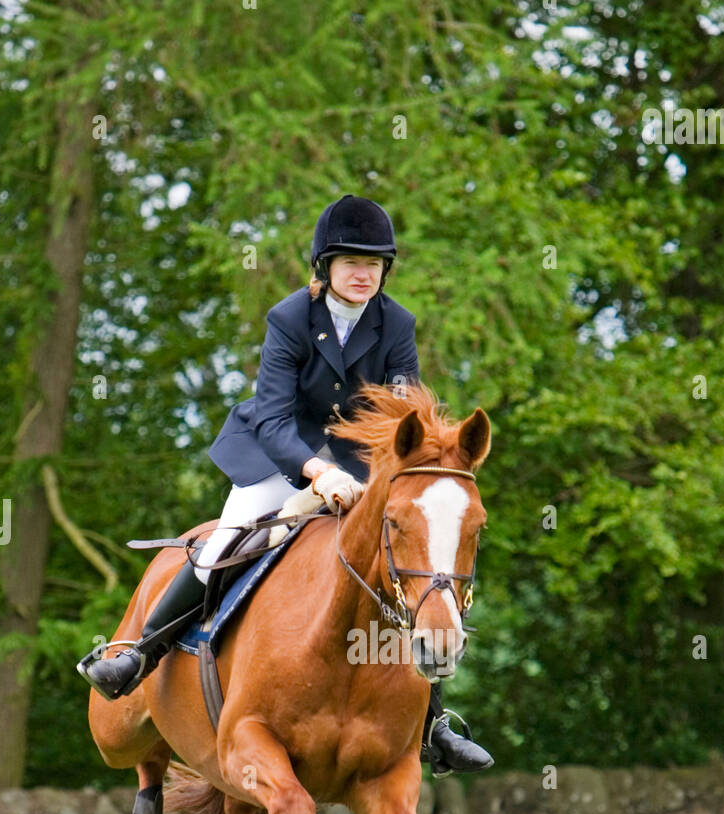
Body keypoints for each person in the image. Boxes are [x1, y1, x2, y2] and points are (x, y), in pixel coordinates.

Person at [79, 194, 492, 777]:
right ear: (324, 266)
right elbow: (272, 418)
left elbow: (404, 418)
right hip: (280, 456)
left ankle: (436, 723)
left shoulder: (396, 324)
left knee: (412, 559)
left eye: (373, 264)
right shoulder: (290, 318)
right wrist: (316, 472)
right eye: (350, 261)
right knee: (227, 541)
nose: (362, 273)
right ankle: (140, 655)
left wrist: (378, 480)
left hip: (360, 468)